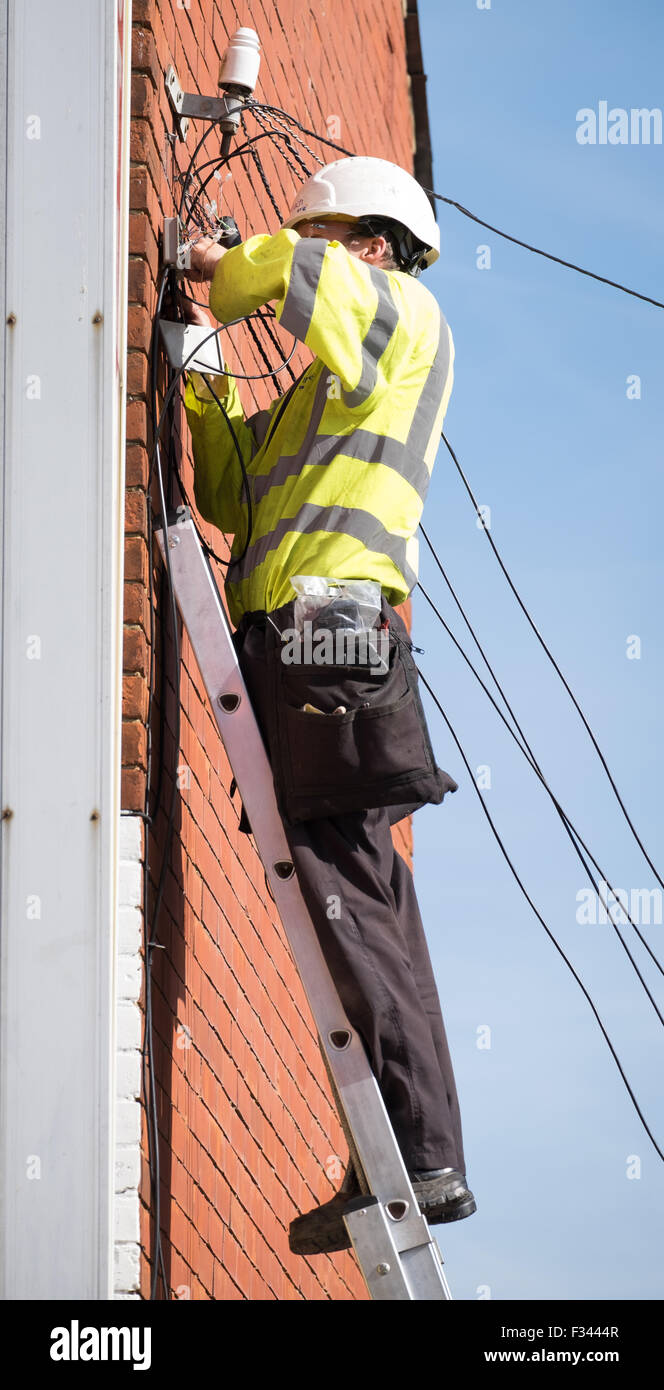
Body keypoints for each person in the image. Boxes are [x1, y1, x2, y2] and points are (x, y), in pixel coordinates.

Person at [181, 156, 476, 1255]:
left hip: (327, 626)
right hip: (313, 634)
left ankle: (417, 1155)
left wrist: (220, 263)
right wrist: (205, 371)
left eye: (324, 240)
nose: (314, 259)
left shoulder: (401, 309)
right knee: (362, 895)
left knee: (344, 887)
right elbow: (231, 492)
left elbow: (311, 281)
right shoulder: (332, 385)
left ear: (367, 242)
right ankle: (404, 1154)